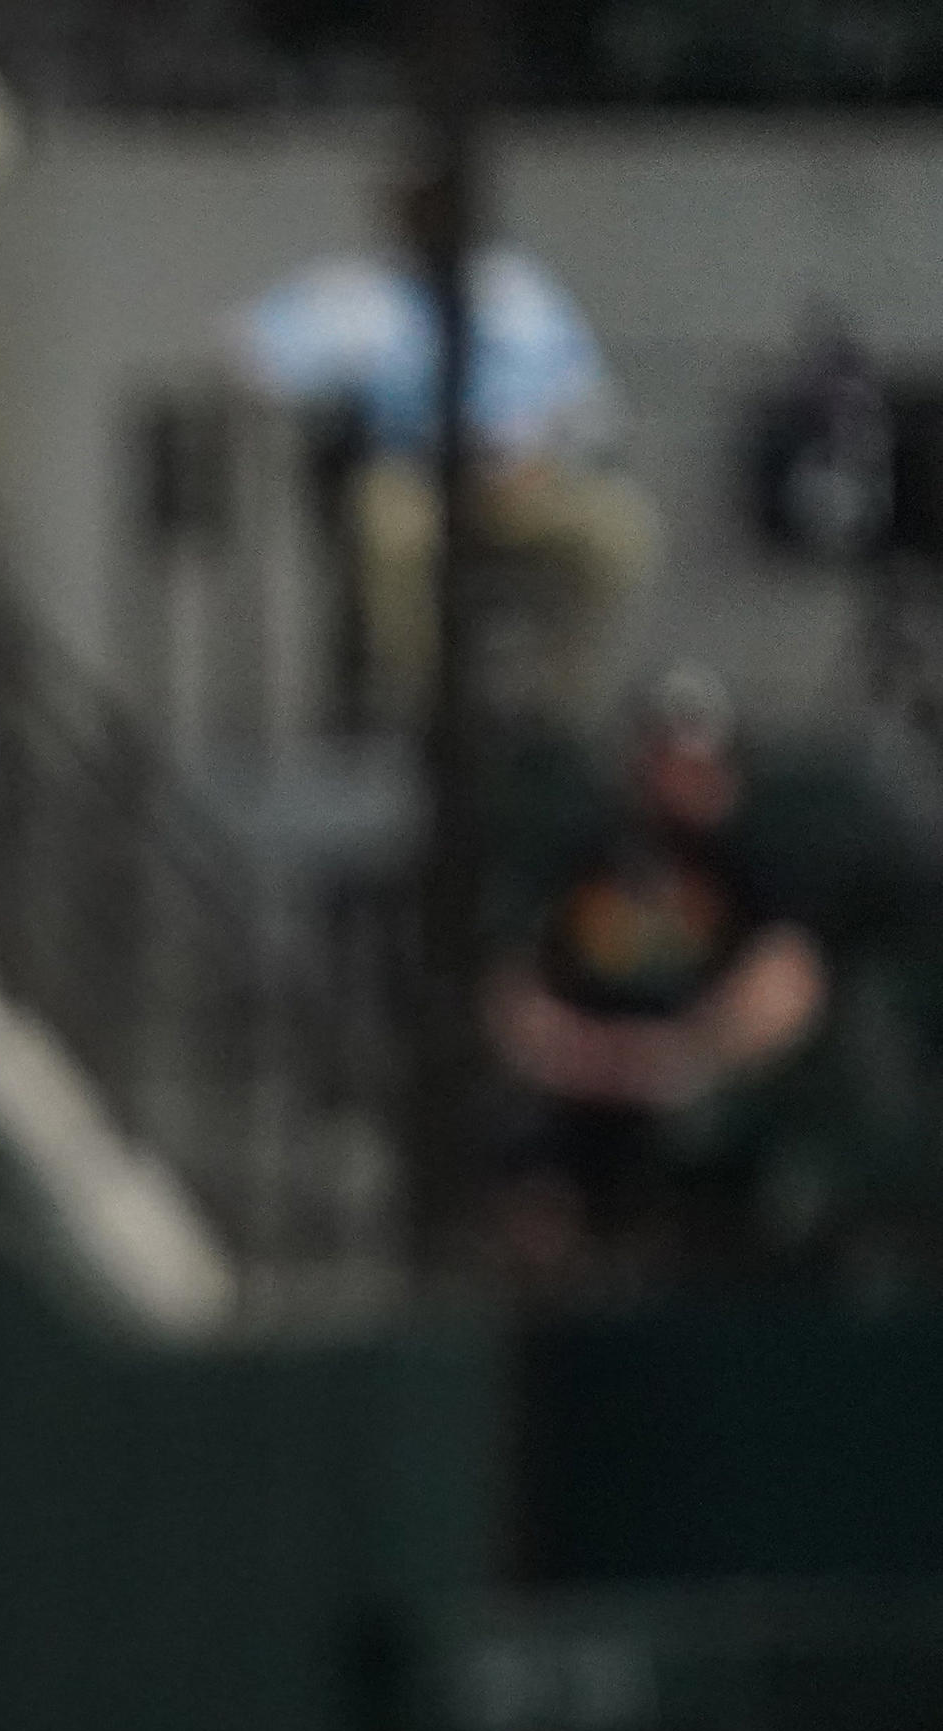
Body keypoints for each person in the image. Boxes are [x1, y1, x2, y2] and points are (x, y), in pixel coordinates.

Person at [231, 205, 656, 723]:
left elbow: (590, 402)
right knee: (387, 525)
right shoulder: (359, 294)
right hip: (416, 479)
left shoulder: (516, 290)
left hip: (522, 482)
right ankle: (426, 711)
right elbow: (252, 357)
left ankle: (553, 713)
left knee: (617, 527)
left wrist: (542, 459)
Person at [482, 666, 831, 1275]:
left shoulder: (751, 864)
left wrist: (689, 1054)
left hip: (712, 1093)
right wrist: (580, 1056)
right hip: (585, 1089)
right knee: (530, 1175)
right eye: (663, 754)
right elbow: (517, 991)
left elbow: (790, 982)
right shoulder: (586, 859)